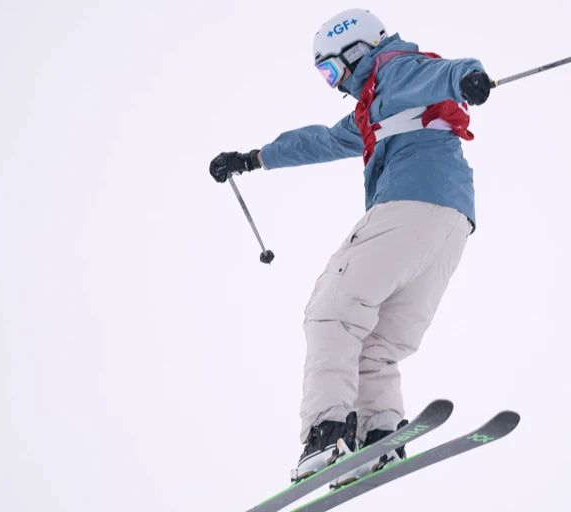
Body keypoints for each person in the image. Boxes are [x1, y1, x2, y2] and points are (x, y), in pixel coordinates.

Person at [208, 8, 492, 482]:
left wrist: (468, 77)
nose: (332, 81)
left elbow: (439, 72)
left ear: (355, 51)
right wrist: (254, 158)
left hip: (409, 204)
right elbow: (320, 141)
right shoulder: (379, 107)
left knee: (332, 311)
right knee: (378, 344)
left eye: (331, 69)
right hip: (452, 221)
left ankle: (326, 430)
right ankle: (380, 432)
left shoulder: (395, 72)